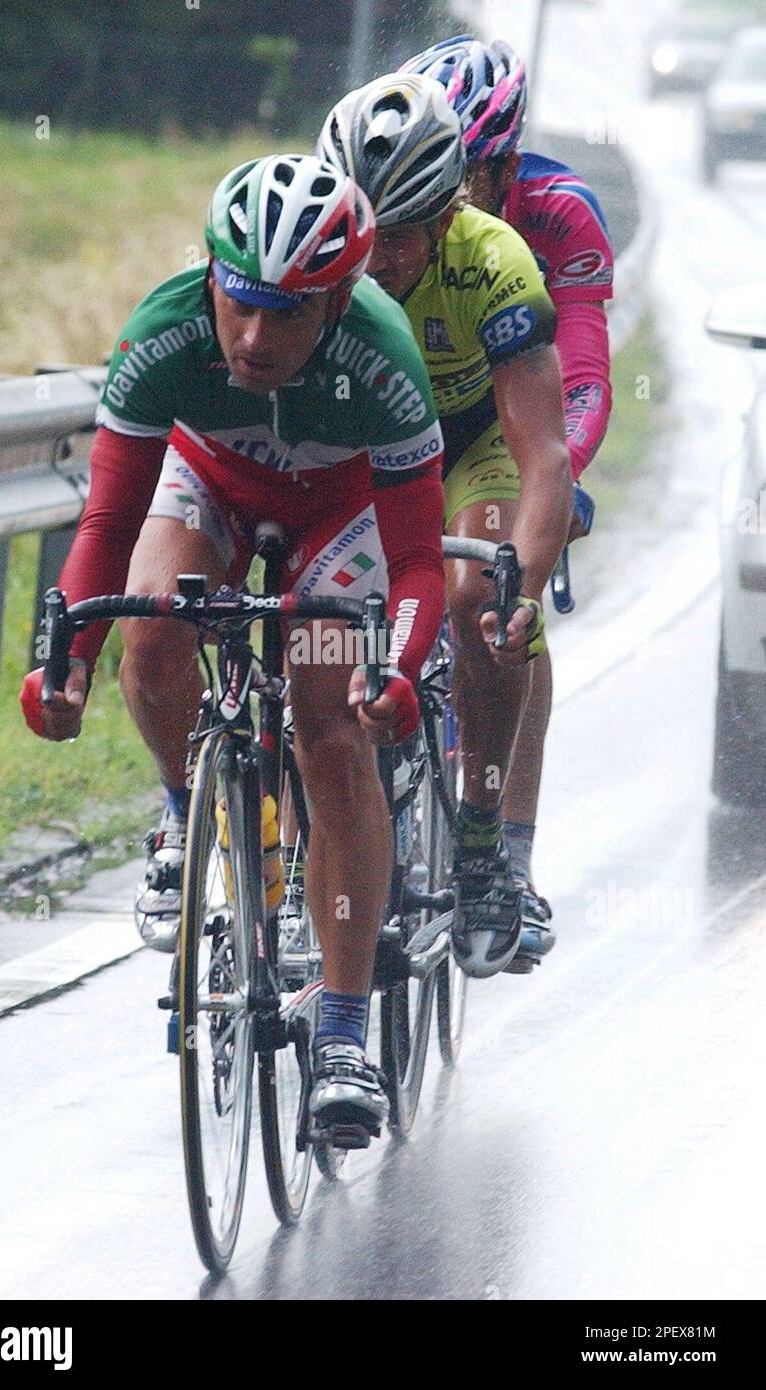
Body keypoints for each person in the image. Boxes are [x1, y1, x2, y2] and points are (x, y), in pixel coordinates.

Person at [20, 153, 449, 1140]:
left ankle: (341, 1032)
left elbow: (420, 558)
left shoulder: (384, 358)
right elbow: (107, 524)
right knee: (152, 624)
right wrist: (64, 662)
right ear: (212, 278)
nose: (255, 338)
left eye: (289, 314)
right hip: (210, 483)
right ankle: (187, 815)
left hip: (339, 512)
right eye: (240, 302)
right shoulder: (162, 331)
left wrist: (398, 669)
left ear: (339, 302)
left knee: (331, 728)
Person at [319, 75, 573, 979]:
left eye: (397, 239)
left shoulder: (495, 260)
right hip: (357, 448)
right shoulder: (319, 255)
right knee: (307, 623)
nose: (374, 260)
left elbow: (543, 455)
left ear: (446, 213)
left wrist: (525, 592)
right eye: (362, 233)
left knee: (475, 596)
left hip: (471, 447)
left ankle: (477, 834)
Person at [400, 35, 614, 956]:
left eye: (470, 173)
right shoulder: (385, 206)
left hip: (504, 426)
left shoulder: (560, 215)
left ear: (501, 157)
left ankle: (506, 853)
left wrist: (559, 477)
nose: (450, 193)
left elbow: (585, 375)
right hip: (404, 426)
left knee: (493, 599)